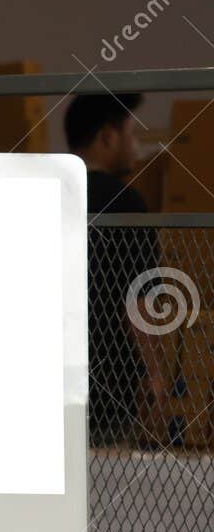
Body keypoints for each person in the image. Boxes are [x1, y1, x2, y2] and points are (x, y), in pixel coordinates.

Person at [63, 92, 168, 446]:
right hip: (110, 396)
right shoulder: (126, 202)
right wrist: (155, 375)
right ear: (108, 137)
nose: (135, 145)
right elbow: (138, 301)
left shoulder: (47, 194)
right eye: (131, 134)